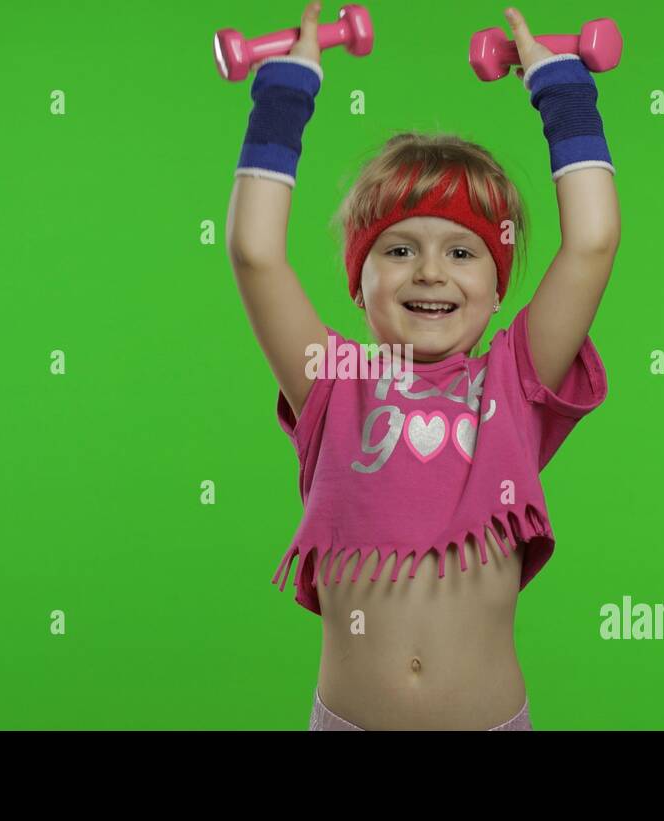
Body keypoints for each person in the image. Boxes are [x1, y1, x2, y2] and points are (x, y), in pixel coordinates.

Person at [226, 2, 619, 730]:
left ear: (499, 287)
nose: (430, 271)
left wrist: (559, 85)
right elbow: (255, 253)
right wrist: (288, 86)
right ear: (359, 280)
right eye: (398, 248)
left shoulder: (517, 376)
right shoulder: (329, 380)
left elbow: (592, 240)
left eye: (463, 251)